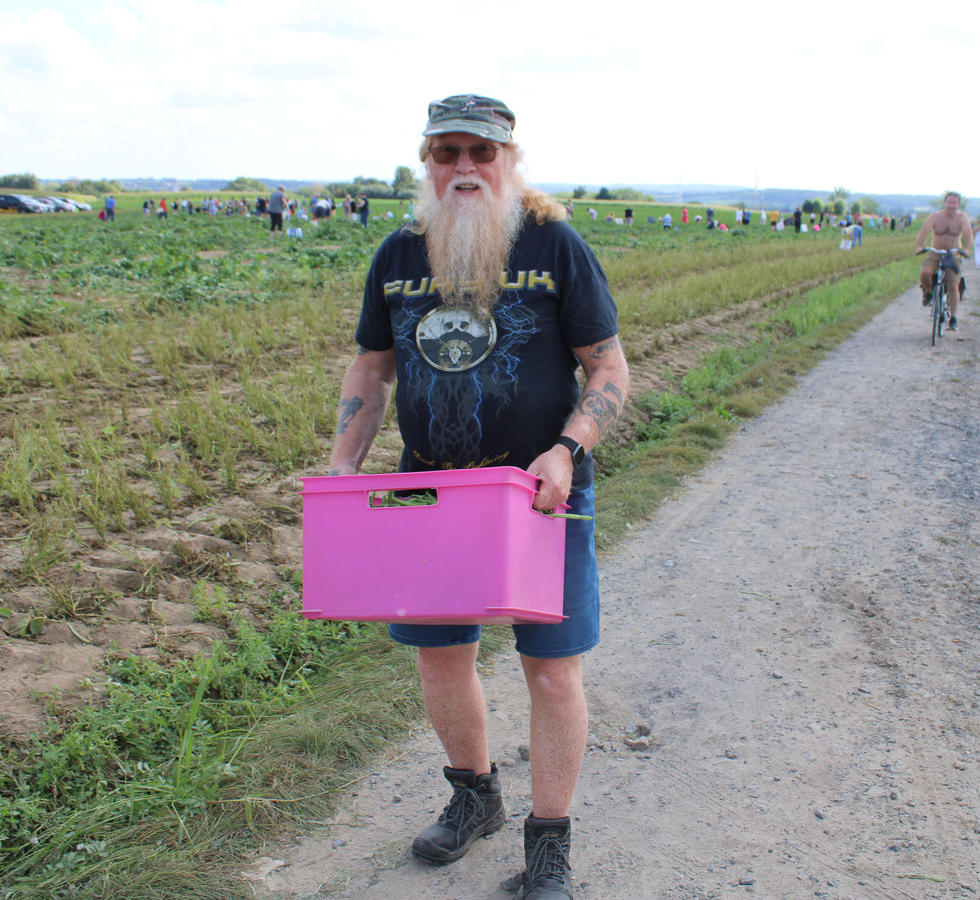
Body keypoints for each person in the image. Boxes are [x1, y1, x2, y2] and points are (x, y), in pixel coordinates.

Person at [328, 94, 629, 900]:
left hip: (541, 496)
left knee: (554, 672)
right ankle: (475, 795)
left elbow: (607, 369)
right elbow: (372, 367)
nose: (463, 167)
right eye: (447, 152)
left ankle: (550, 841)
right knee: (440, 657)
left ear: (509, 159)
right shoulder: (398, 253)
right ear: (426, 161)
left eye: (480, 153)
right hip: (431, 493)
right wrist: (345, 461)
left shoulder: (555, 246)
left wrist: (566, 451)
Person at [914, 191, 973, 331]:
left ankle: (953, 317)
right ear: (945, 203)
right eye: (949, 202)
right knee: (924, 273)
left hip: (953, 254)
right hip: (935, 252)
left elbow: (968, 234)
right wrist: (919, 246)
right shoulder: (935, 216)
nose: (951, 205)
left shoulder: (962, 217)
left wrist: (967, 249)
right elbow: (924, 231)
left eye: (954, 203)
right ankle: (928, 292)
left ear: (958, 205)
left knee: (953, 285)